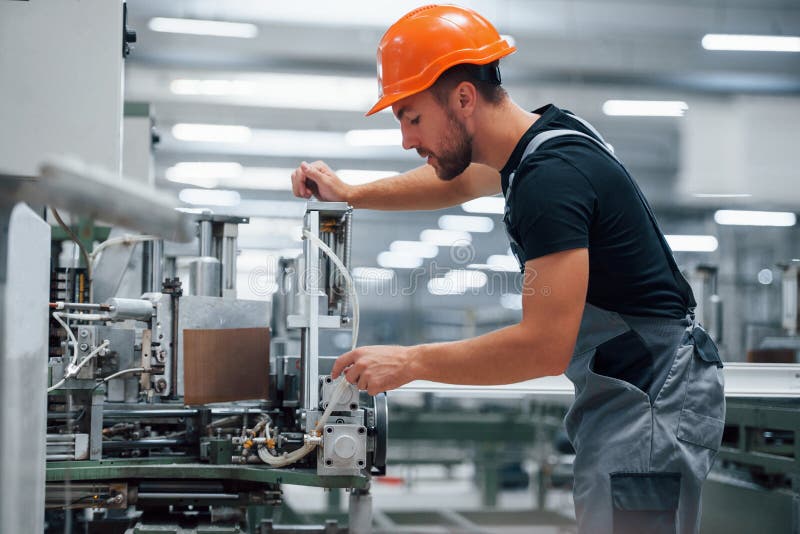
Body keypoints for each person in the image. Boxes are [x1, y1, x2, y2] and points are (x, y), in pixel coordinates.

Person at [290, 5, 724, 533]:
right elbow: (456, 181)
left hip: (650, 394)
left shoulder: (550, 179)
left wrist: (409, 362)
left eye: (412, 117)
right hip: (631, 384)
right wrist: (351, 193)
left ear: (463, 98)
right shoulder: (542, 142)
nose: (406, 139)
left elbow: (544, 347)